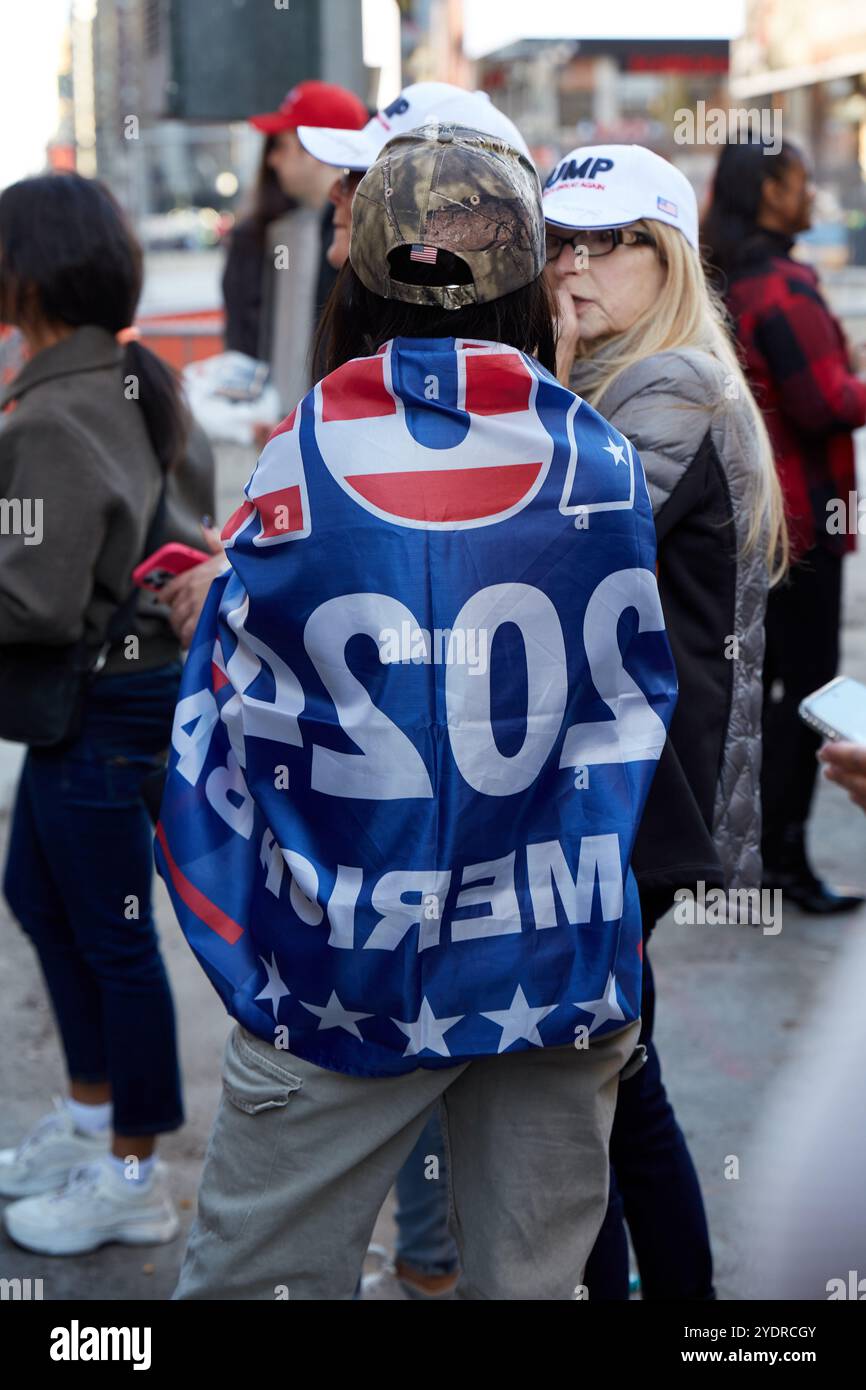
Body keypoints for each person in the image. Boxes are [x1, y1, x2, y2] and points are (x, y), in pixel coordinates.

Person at [156, 123, 678, 1301]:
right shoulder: (598, 458)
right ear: (525, 277)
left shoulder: (297, 458)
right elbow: (642, 696)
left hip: (340, 964)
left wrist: (255, 930)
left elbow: (219, 726)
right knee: (533, 1284)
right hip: (557, 958)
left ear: (360, 274)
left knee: (256, 1282)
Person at [543, 143, 787, 1298]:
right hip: (632, 790)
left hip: (634, 801)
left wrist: (539, 376)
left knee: (596, 1094)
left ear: (669, 255)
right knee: (605, 1080)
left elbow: (551, 547)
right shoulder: (635, 375)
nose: (572, 267)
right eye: (560, 243)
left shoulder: (666, 385)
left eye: (607, 242)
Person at [0, 172, 215, 1255]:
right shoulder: (134, 380)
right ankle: (94, 1120)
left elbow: (33, 599)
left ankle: (134, 1171)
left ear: (26, 278)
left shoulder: (51, 412)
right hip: (137, 690)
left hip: (93, 699)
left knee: (112, 934)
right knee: (40, 892)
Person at [702, 138, 866, 914]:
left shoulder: (725, 279)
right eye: (800, 184)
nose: (810, 199)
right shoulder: (785, 287)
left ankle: (750, 854)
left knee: (755, 693)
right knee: (806, 693)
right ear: (769, 192)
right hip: (802, 524)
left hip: (751, 519)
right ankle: (784, 862)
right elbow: (823, 403)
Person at [222, 80, 368, 402]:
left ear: (317, 148)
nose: (272, 160)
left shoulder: (363, 237)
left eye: (281, 145)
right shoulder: (300, 230)